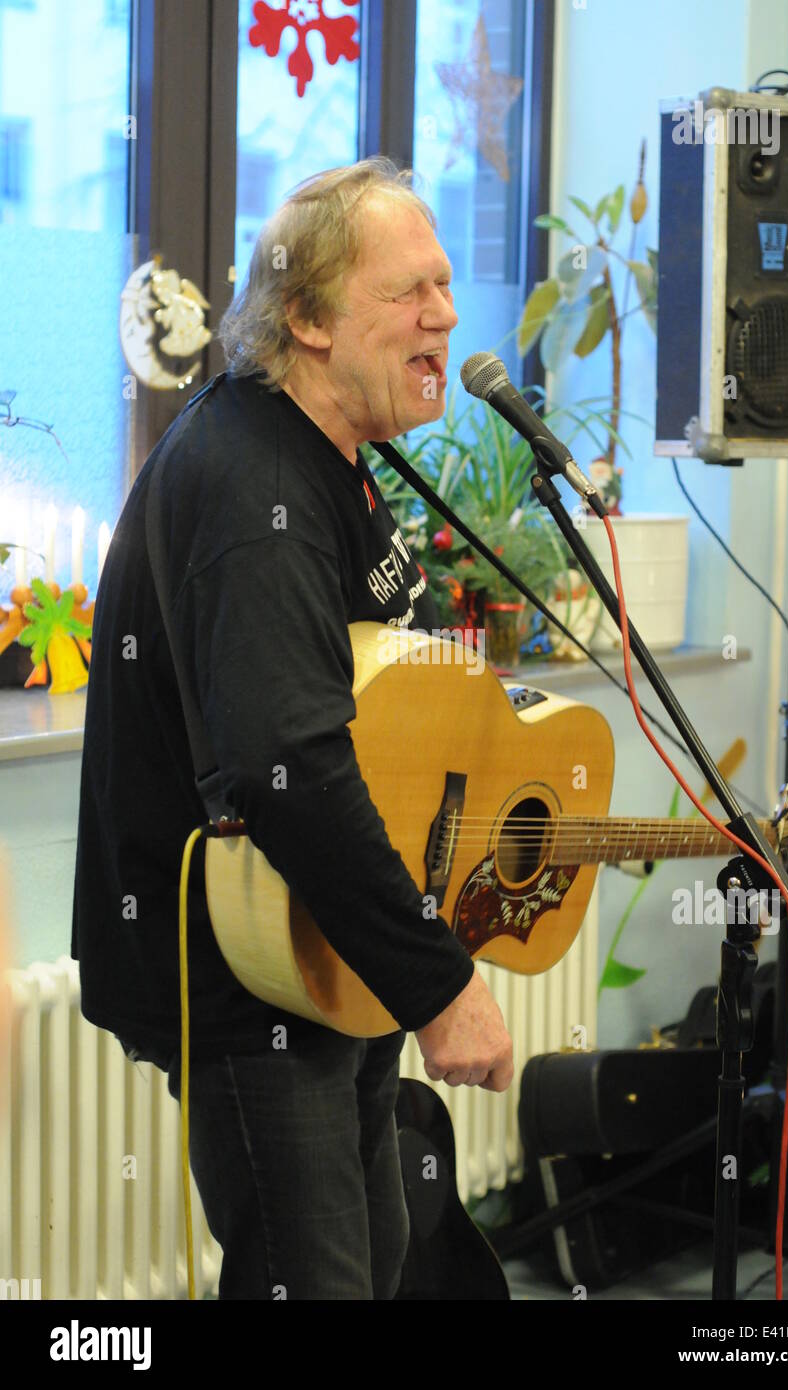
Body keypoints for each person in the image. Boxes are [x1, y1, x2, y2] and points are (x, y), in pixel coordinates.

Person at [71, 157, 513, 1301]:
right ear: (310, 319)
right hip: (248, 982)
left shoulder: (331, 463)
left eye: (447, 285)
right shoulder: (248, 483)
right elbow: (288, 766)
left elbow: (364, 710)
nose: (445, 316)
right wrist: (440, 983)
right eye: (407, 292)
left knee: (373, 1265)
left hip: (319, 960)